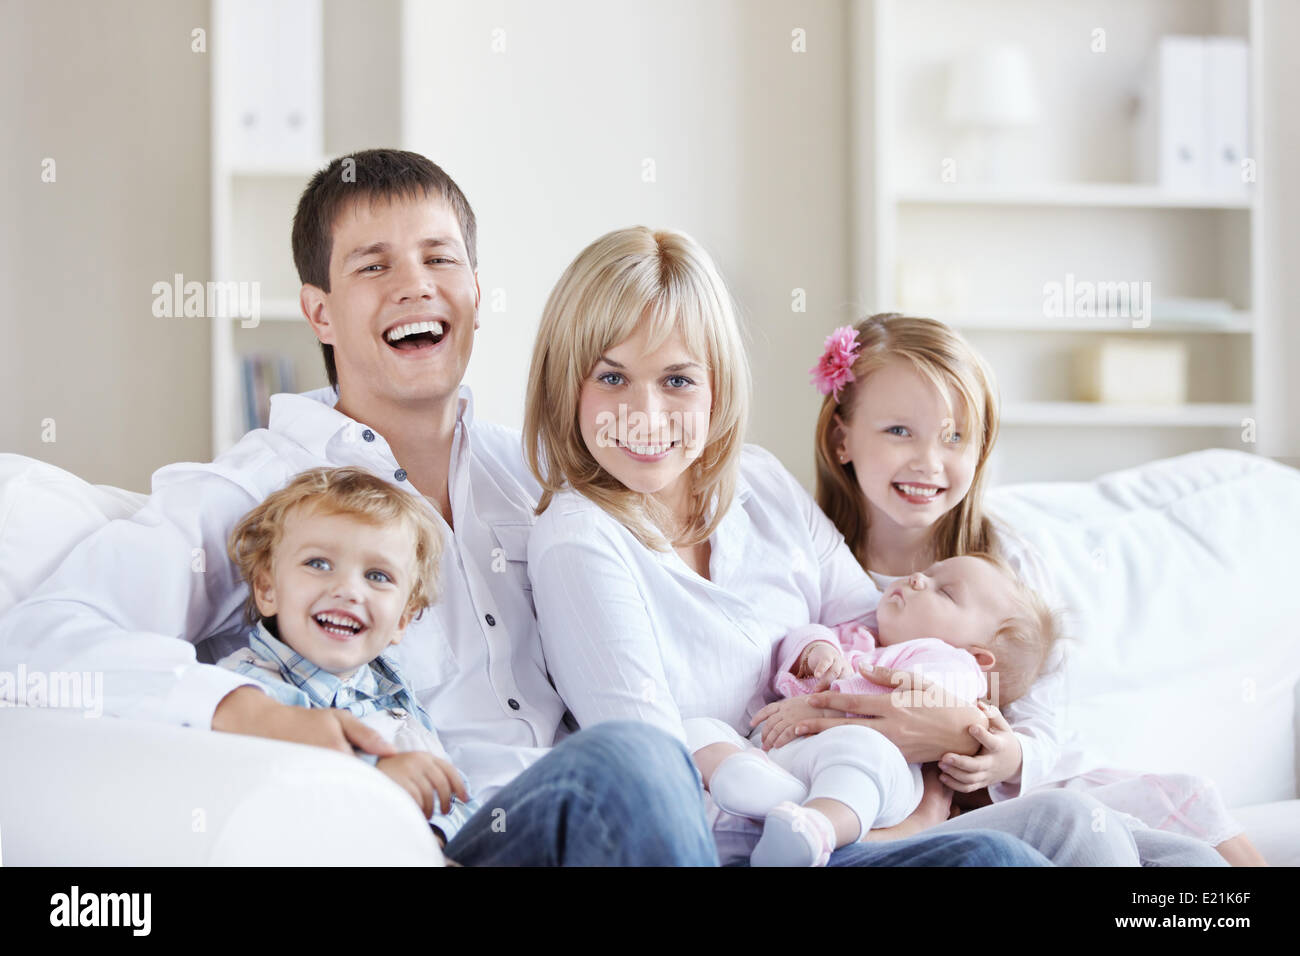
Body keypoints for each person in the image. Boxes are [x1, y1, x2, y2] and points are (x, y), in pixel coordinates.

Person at [0, 150, 717, 867]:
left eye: (439, 259)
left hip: (591, 828)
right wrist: (256, 715)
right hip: (432, 838)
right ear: (319, 312)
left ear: (475, 291)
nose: (414, 285)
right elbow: (37, 640)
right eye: (373, 267)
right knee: (639, 760)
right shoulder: (260, 487)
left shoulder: (541, 474)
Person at [522, 225, 1136, 866]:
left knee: (1102, 833)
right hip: (757, 838)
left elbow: (873, 619)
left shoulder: (756, 480)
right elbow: (652, 772)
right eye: (613, 378)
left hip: (861, 800)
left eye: (677, 380)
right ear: (568, 386)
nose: (646, 414)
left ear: (717, 386)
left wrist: (954, 731)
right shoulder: (579, 539)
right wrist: (862, 810)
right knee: (1000, 862)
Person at [777, 312, 1267, 866]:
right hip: (907, 800)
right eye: (898, 431)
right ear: (841, 438)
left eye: (954, 437)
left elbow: (1043, 722)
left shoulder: (1003, 559)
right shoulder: (817, 562)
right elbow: (799, 677)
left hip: (1027, 781)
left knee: (1193, 833)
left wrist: (1000, 752)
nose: (928, 461)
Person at [696, 552, 1058, 865]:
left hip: (870, 768)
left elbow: (905, 703)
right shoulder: (861, 635)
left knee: (863, 755)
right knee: (699, 728)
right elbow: (803, 636)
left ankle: (819, 826)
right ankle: (746, 782)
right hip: (782, 752)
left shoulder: (954, 667)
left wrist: (826, 700)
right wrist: (816, 650)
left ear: (977, 656)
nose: (918, 578)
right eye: (929, 573)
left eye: (944, 591)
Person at [216, 466, 478, 840]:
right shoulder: (249, 690)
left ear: (402, 620)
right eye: (318, 564)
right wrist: (377, 785)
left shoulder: (391, 691)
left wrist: (438, 832)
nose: (349, 590)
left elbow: (452, 798)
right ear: (267, 589)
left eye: (377, 576)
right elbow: (270, 804)